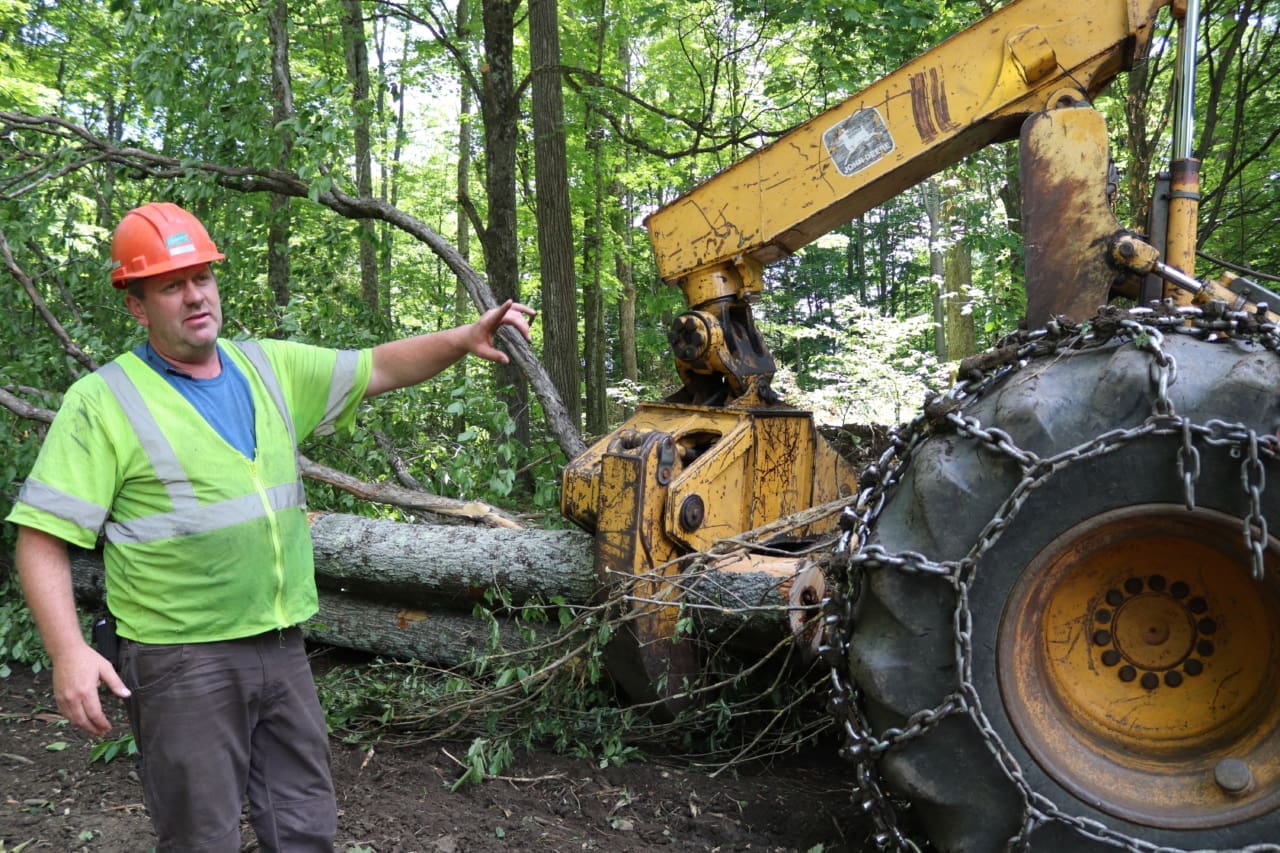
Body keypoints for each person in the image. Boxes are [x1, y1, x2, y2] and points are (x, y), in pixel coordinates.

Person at [5, 201, 535, 851]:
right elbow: (41, 537)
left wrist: (461, 338)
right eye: (171, 284)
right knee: (202, 837)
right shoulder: (104, 401)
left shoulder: (267, 368)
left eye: (202, 276)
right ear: (137, 306)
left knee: (304, 825)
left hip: (282, 648)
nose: (194, 295)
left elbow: (379, 366)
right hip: (180, 663)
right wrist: (66, 652)